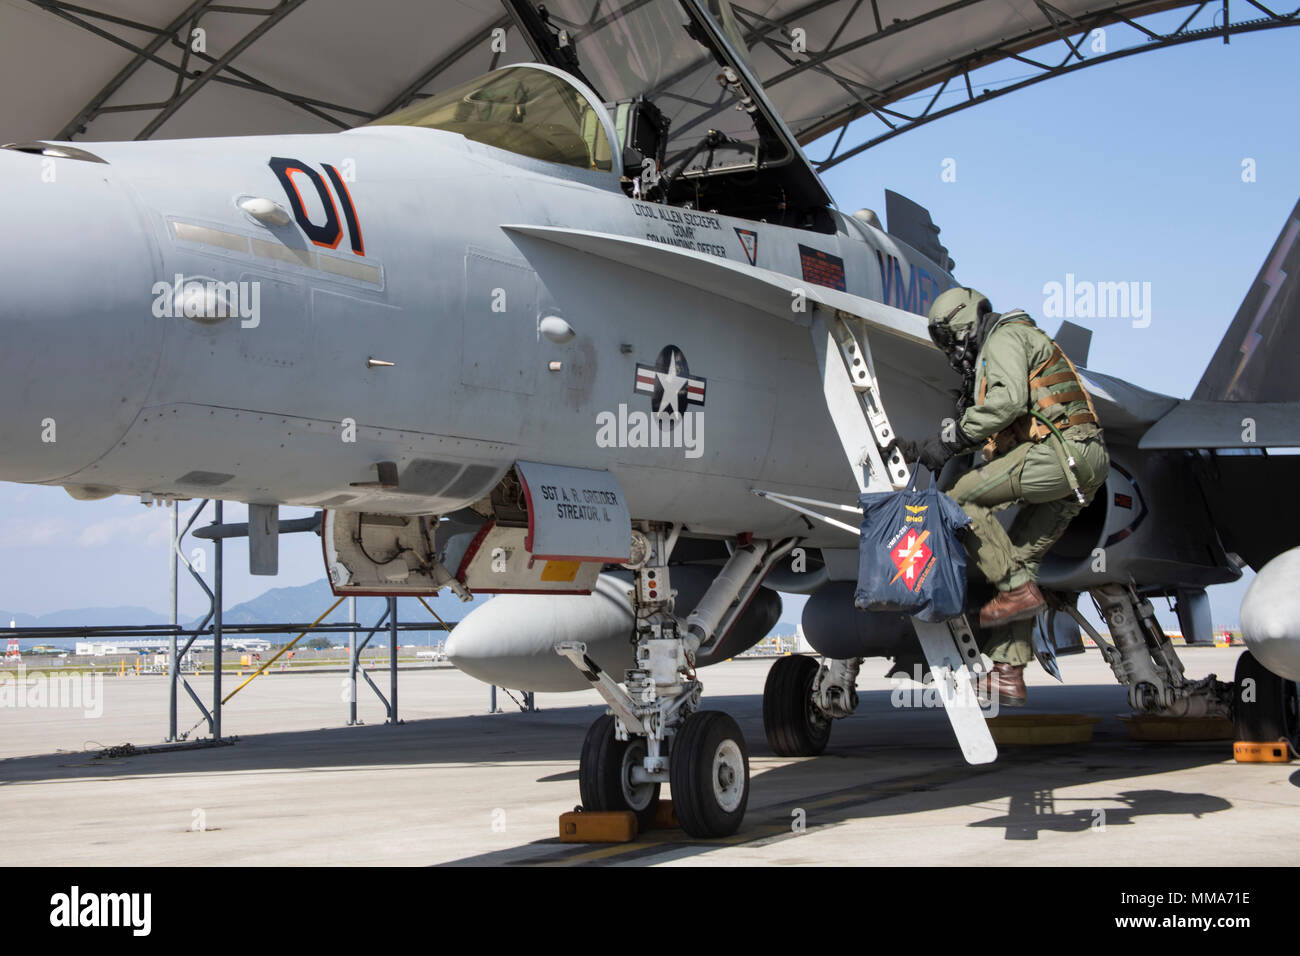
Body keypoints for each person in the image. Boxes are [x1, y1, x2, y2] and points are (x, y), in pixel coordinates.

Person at [898, 287, 1109, 706]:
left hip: (1061, 453)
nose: (950, 353)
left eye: (949, 342)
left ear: (963, 326)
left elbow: (1007, 402)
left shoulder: (1005, 338)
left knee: (957, 499)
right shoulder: (1010, 345)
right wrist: (928, 447)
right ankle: (1007, 673)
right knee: (1020, 562)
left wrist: (950, 440)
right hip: (1083, 464)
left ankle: (1015, 592)